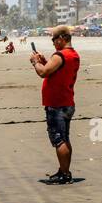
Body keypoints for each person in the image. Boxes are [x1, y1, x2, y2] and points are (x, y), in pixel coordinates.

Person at [30, 25, 80, 184]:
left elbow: (43, 72)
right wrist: (45, 61)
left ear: (62, 38)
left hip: (57, 104)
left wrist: (35, 63)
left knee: (59, 140)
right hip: (66, 102)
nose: (52, 43)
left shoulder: (60, 55)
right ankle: (64, 170)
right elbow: (54, 70)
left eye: (54, 39)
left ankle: (65, 174)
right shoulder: (73, 55)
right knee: (64, 138)